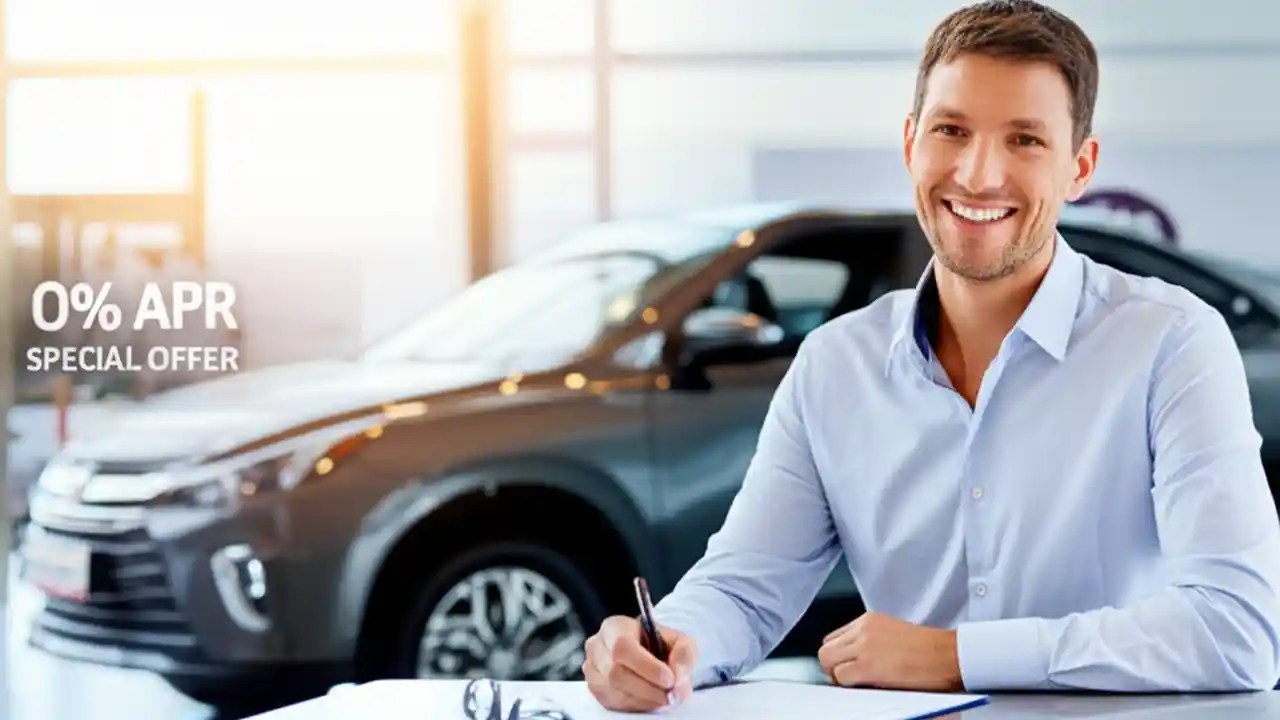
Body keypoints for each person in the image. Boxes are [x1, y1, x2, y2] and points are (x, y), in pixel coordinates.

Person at [582, 0, 1280, 710]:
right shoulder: (834, 366)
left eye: (1025, 140)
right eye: (952, 130)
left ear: (1080, 167)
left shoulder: (1171, 342)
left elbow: (1238, 629)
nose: (979, 175)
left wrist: (959, 656)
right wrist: (663, 643)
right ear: (911, 142)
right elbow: (743, 588)